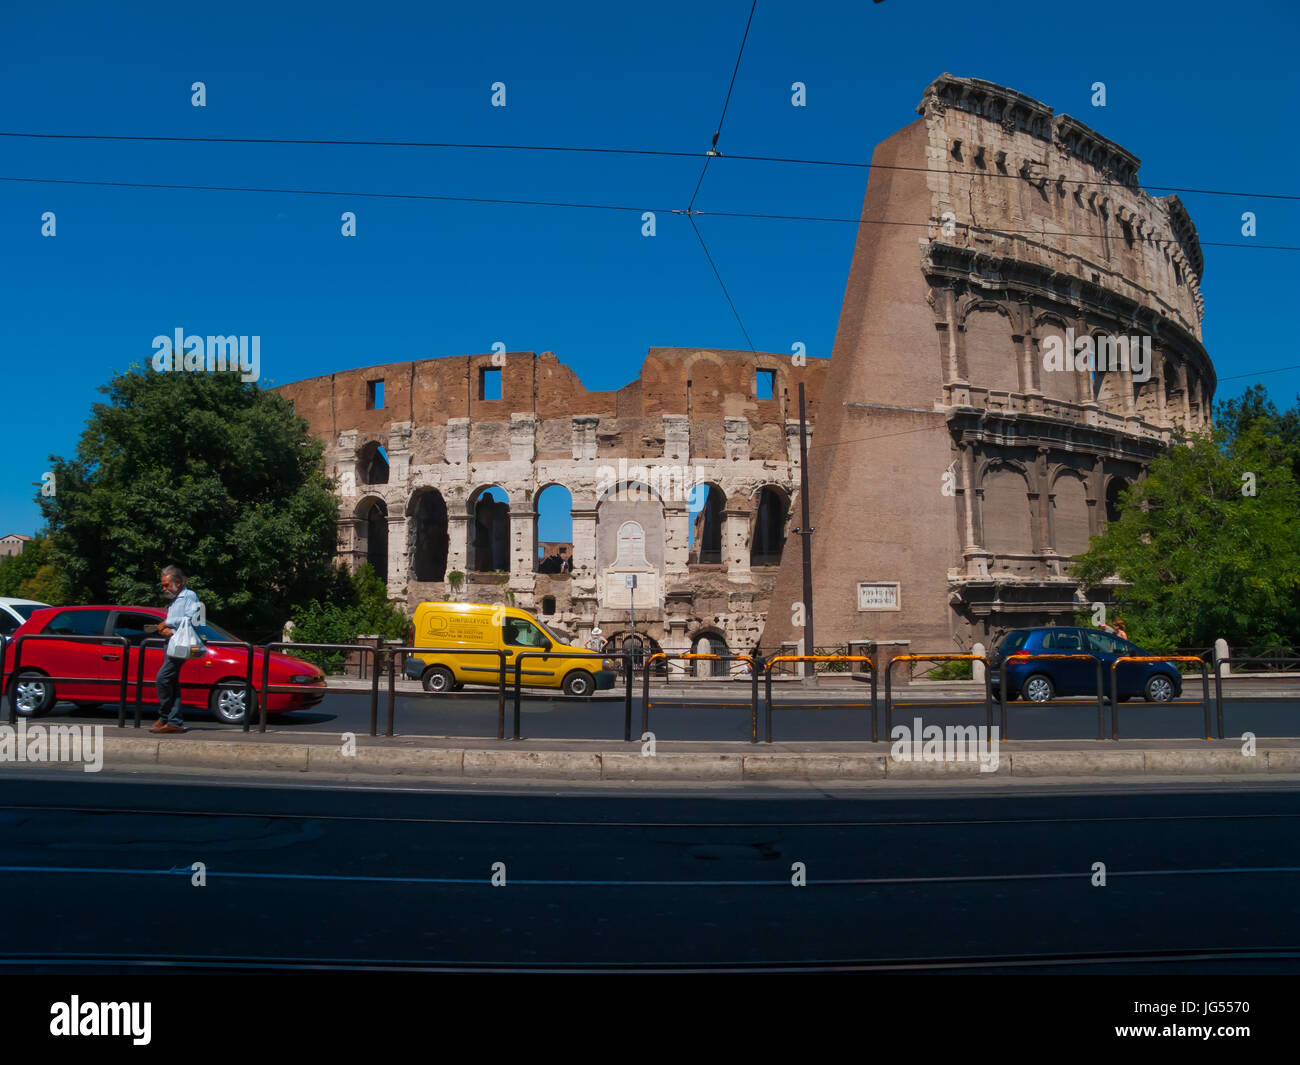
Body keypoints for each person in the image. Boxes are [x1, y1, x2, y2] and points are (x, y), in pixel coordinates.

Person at [150, 565, 203, 733]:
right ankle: (173, 721)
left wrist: (168, 623)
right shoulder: (174, 599)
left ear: (178, 583)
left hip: (181, 645)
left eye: (166, 585)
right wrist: (166, 630)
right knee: (171, 681)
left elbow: (193, 619)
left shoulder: (189, 596)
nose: (163, 588)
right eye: (163, 585)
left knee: (162, 678)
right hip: (172, 642)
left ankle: (166, 716)